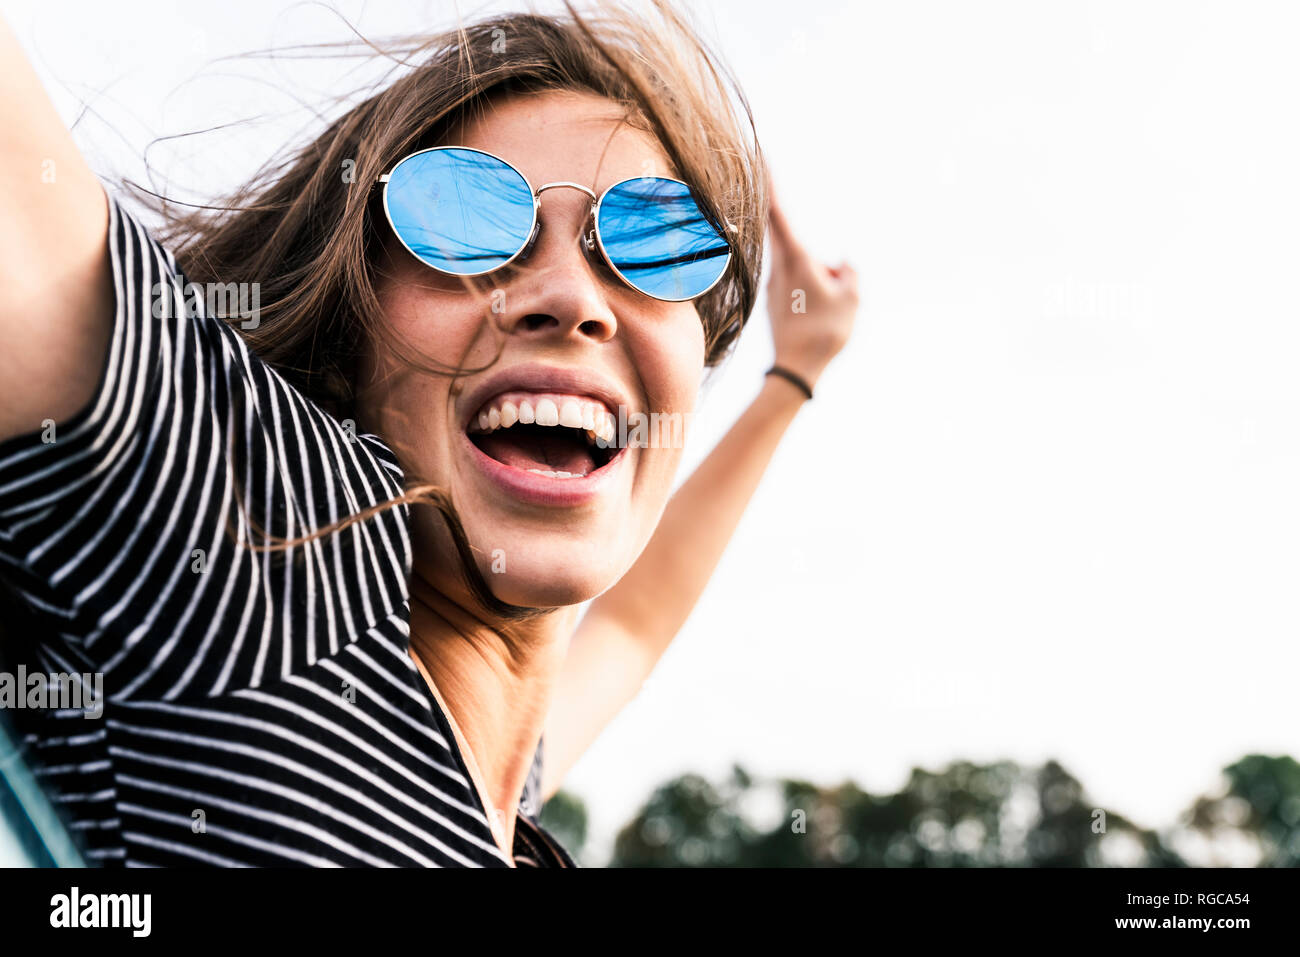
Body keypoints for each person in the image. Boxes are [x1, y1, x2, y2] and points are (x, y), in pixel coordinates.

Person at [0, 1, 858, 867]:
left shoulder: (495, 783)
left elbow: (631, 631)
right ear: (350, 351)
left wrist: (794, 375)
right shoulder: (273, 569)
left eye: (650, 239)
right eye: (461, 222)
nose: (571, 297)